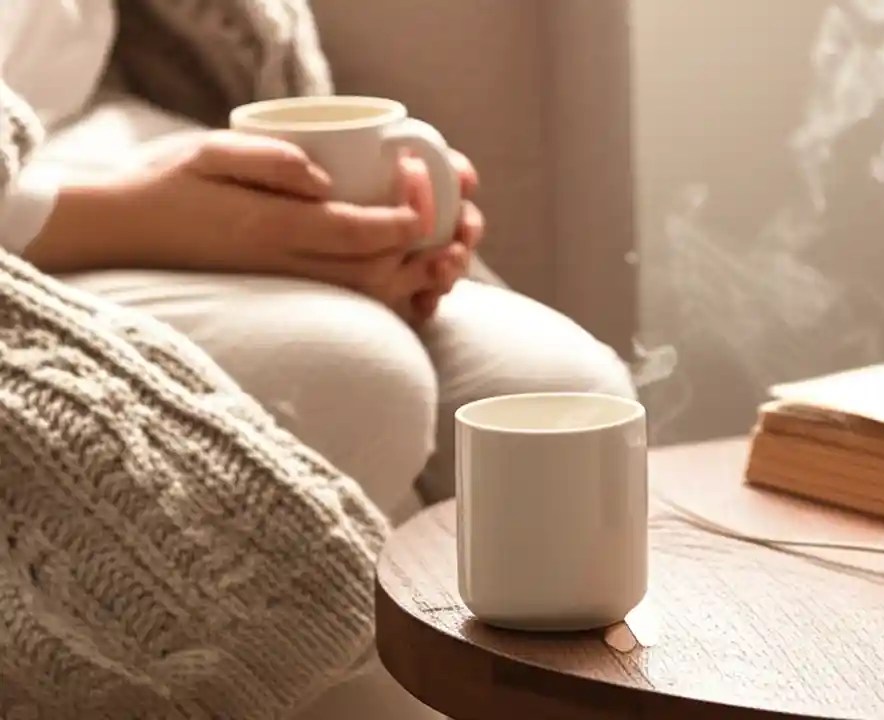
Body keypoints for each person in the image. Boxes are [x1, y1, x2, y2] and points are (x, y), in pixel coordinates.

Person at [0, 1, 635, 717]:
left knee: (557, 386)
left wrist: (374, 216)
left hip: (106, 132)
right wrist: (131, 218)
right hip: (38, 213)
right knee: (353, 378)